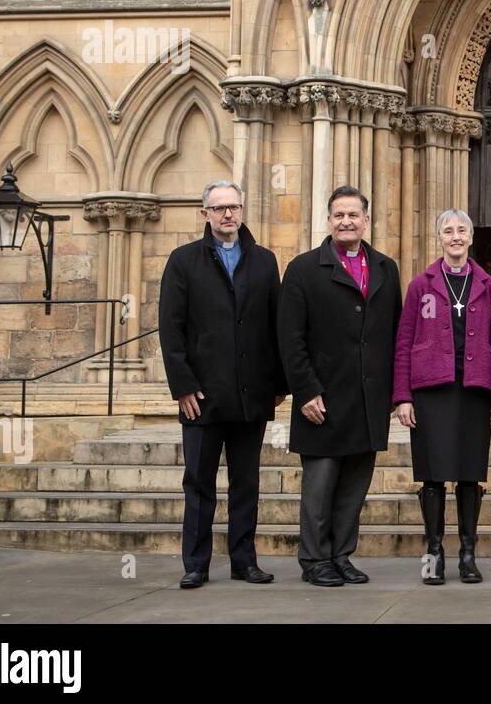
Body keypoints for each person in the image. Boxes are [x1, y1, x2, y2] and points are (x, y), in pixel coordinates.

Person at [159, 180, 287, 589]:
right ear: (206, 214)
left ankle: (243, 561)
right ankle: (196, 564)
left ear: (242, 210)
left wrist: (279, 383)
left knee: (246, 483)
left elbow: (276, 324)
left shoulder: (264, 261)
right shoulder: (183, 261)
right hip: (202, 396)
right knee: (199, 482)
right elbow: (171, 328)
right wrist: (182, 386)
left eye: (233, 207)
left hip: (251, 395)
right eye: (219, 208)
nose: (228, 214)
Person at [277, 187, 400, 587]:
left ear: (367, 220)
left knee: (354, 487)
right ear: (329, 220)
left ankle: (341, 555)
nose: (346, 221)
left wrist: (394, 392)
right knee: (320, 486)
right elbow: (290, 338)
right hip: (323, 399)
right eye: (339, 215)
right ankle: (315, 559)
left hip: (368, 399)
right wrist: (305, 391)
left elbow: (394, 334)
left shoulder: (385, 268)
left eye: (353, 214)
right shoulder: (303, 269)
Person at [393, 210, 491, 585]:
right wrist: (402, 397)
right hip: (431, 393)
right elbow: (403, 342)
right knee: (432, 475)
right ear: (438, 238)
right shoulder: (420, 285)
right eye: (448, 231)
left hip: (475, 390)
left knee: (470, 474)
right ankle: (434, 554)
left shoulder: (489, 286)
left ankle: (468, 555)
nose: (455, 236)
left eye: (462, 230)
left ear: (471, 237)